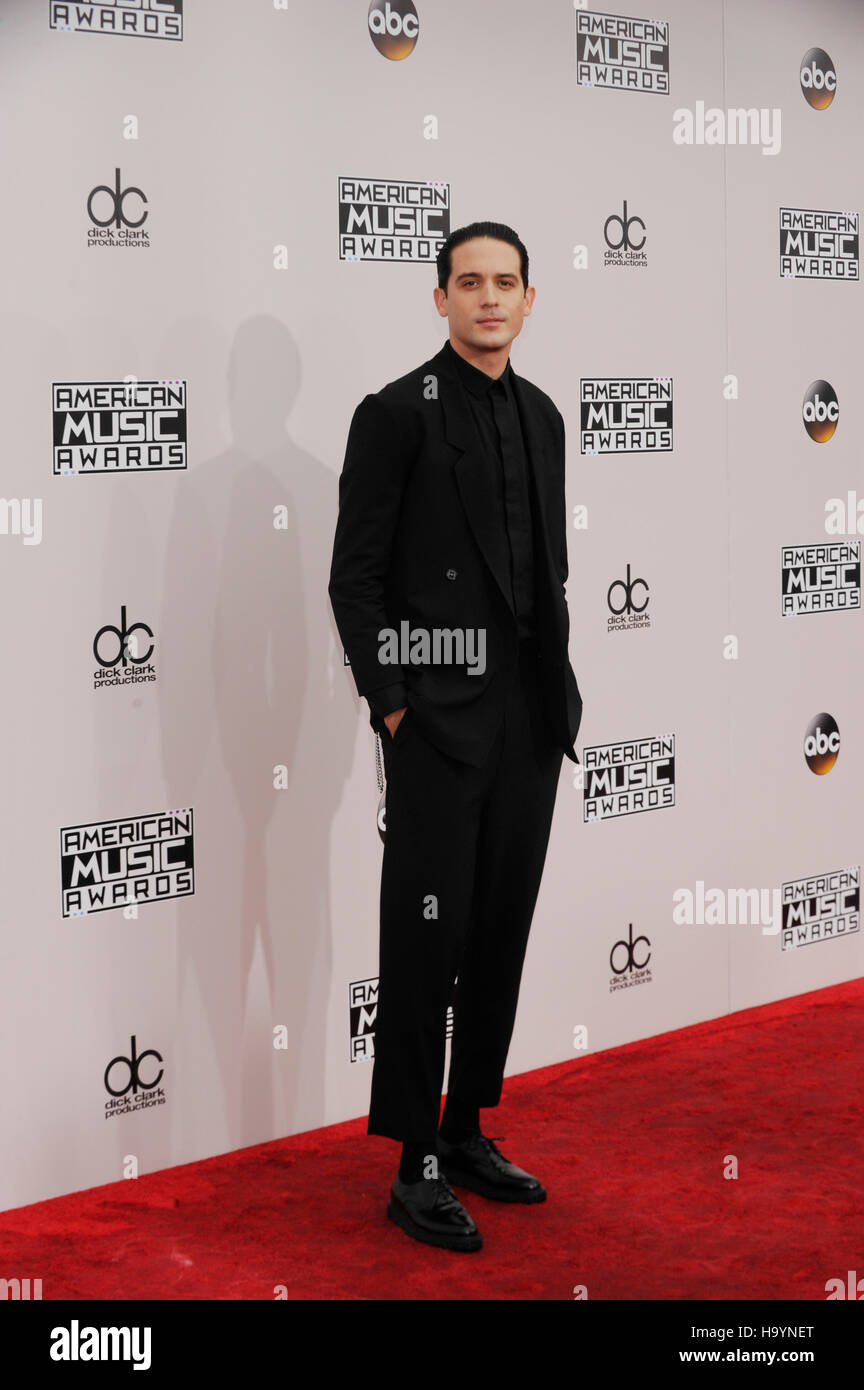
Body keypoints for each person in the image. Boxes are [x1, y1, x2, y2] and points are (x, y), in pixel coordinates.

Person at [328, 221, 583, 1252]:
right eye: (469, 282)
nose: (488, 298)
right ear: (440, 298)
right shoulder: (395, 414)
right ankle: (414, 1164)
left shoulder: (546, 416)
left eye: (505, 282)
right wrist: (395, 708)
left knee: (498, 936)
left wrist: (555, 695)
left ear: (529, 300)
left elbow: (546, 573)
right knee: (425, 945)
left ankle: (468, 1125)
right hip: (437, 724)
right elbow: (357, 577)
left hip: (528, 720)